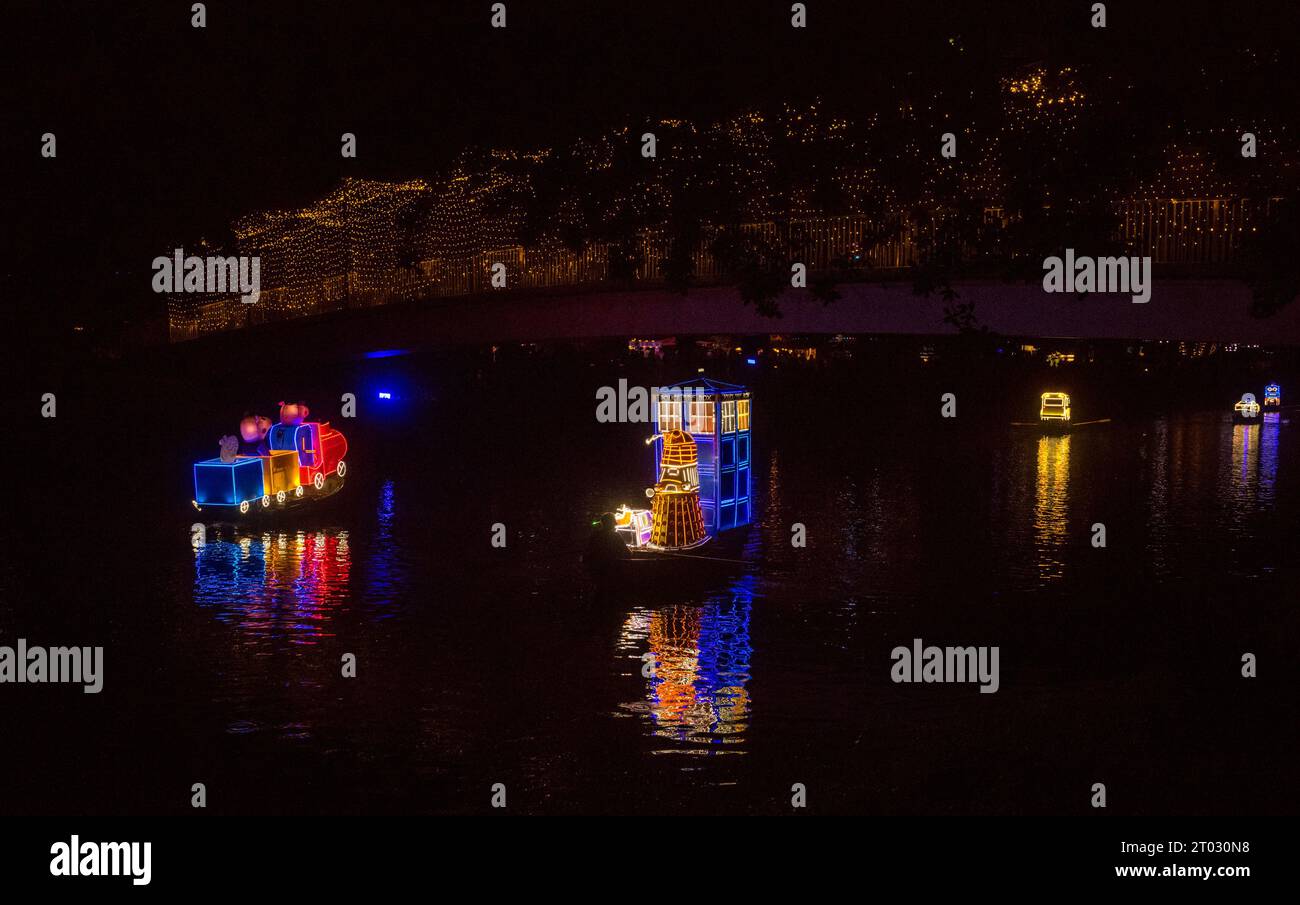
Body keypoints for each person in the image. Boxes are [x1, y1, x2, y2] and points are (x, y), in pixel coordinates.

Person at [585, 512, 629, 581]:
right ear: (612, 523)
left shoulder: (595, 535)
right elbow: (628, 553)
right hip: (612, 572)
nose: (616, 524)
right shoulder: (615, 536)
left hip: (597, 573)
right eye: (614, 522)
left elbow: (588, 553)